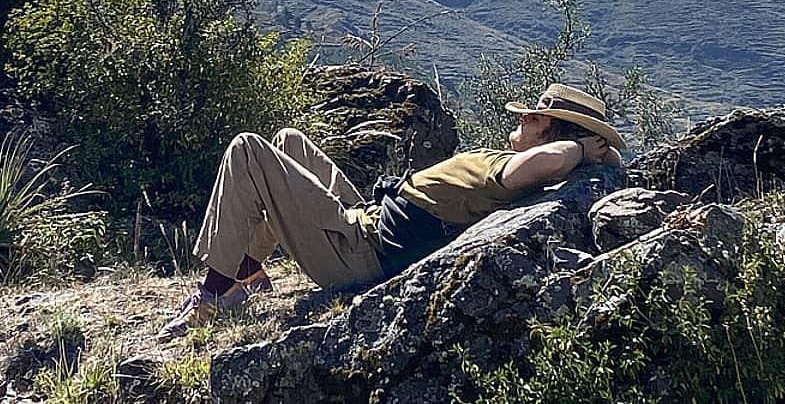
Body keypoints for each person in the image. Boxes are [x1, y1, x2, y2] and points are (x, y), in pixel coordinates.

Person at [156, 83, 625, 343]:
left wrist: (579, 148)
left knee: (249, 151)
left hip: (361, 252)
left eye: (533, 118)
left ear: (555, 133)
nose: (522, 119)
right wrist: (591, 150)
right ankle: (250, 272)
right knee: (288, 141)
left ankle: (215, 293)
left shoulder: (517, 166)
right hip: (367, 219)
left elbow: (543, 165)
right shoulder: (506, 157)